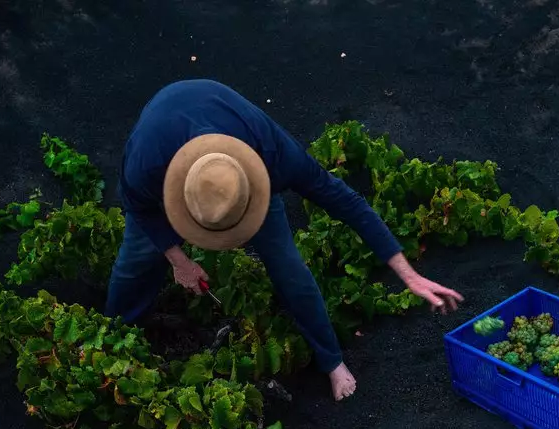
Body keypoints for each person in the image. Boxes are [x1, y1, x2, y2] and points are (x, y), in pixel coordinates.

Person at [105, 79, 463, 401]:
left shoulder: (273, 156)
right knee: (136, 260)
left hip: (231, 147)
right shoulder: (147, 166)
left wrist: (408, 274)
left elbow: (347, 202)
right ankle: (113, 336)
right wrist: (178, 260)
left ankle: (332, 361)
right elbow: (139, 208)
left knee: (288, 267)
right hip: (168, 138)